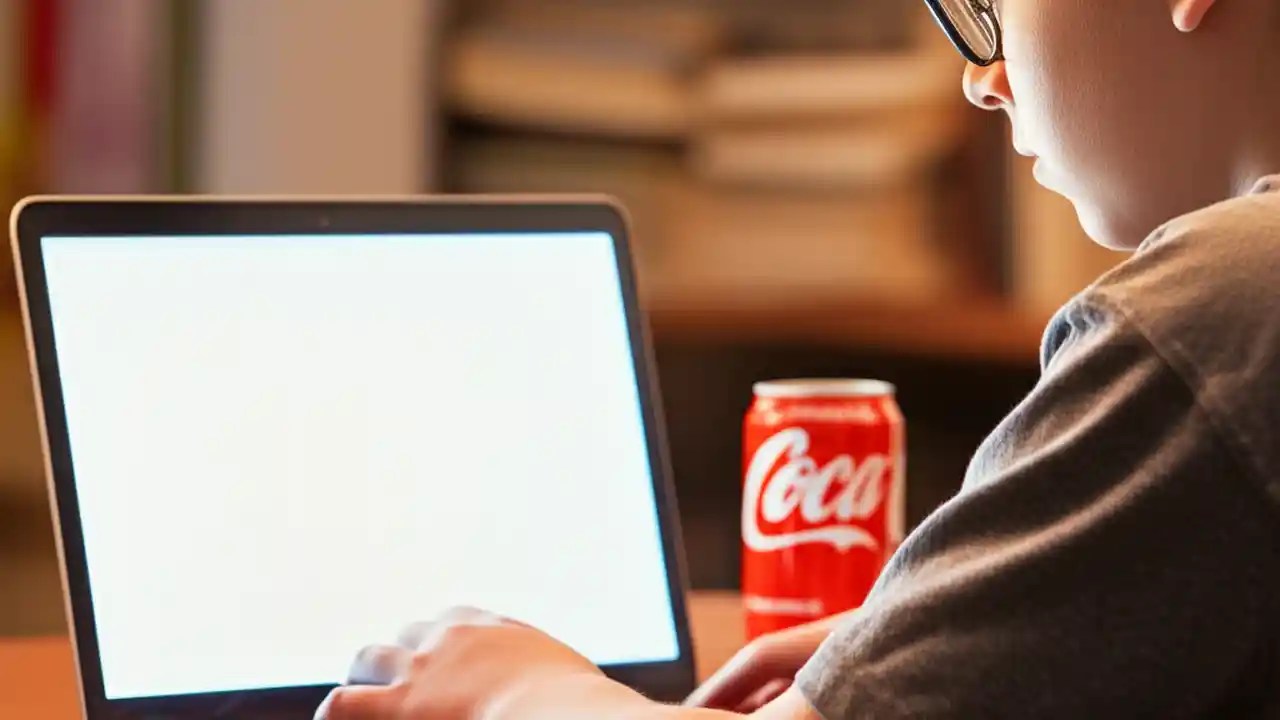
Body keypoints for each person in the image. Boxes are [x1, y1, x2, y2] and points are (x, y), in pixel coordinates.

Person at [316, 0, 1280, 717]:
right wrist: (947, 649)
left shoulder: (1226, 298)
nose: (981, 77)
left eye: (987, 6)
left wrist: (510, 692)